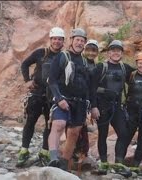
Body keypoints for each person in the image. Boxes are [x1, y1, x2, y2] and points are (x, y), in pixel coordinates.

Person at [17, 27, 65, 167]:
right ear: (50, 39)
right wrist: (27, 80)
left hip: (53, 96)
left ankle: (44, 152)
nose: (57, 41)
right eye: (54, 38)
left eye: (60, 39)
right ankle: (24, 150)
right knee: (30, 122)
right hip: (37, 94)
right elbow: (25, 64)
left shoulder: (64, 57)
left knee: (49, 126)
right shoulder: (40, 53)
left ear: (63, 41)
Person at [47, 28, 92, 171]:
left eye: (82, 41)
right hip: (63, 99)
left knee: (73, 133)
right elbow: (51, 80)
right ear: (71, 40)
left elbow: (88, 85)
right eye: (77, 40)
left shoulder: (85, 61)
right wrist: (59, 99)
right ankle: (53, 158)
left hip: (79, 102)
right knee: (59, 124)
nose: (79, 43)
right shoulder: (62, 56)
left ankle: (64, 163)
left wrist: (90, 105)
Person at [90, 40, 135, 177]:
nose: (116, 53)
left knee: (124, 133)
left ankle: (118, 162)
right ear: (109, 53)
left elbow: (139, 76)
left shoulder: (125, 68)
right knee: (102, 135)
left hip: (117, 107)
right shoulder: (100, 67)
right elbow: (91, 88)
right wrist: (93, 107)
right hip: (102, 107)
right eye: (113, 50)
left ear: (122, 53)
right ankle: (103, 163)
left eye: (119, 51)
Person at [71, 39, 99, 163]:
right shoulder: (79, 63)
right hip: (77, 98)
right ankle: (75, 151)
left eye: (94, 51)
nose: (91, 53)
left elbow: (95, 86)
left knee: (82, 125)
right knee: (75, 125)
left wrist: (93, 104)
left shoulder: (98, 67)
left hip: (88, 100)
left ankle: (83, 151)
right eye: (89, 50)